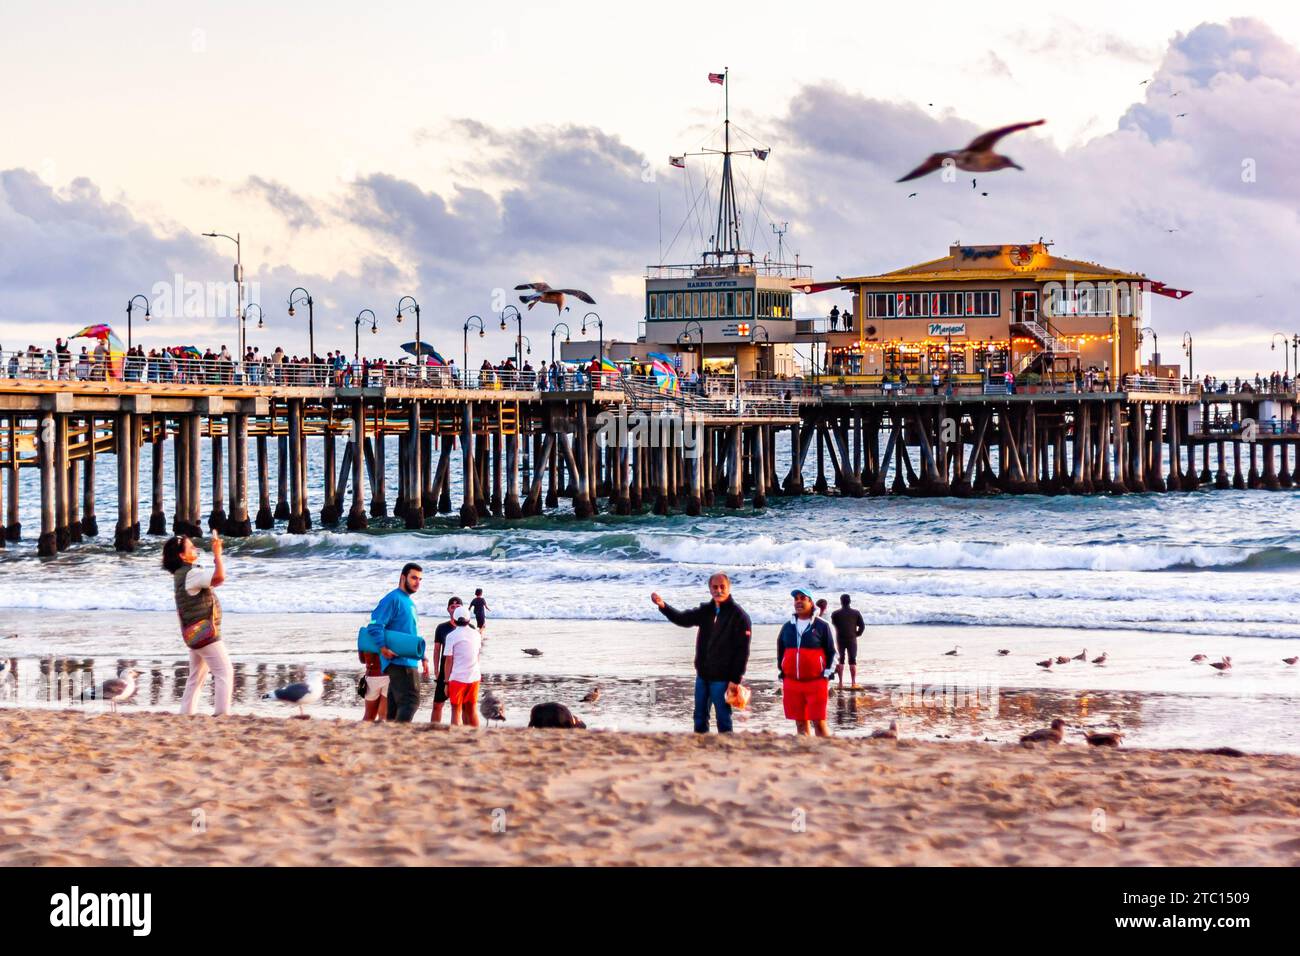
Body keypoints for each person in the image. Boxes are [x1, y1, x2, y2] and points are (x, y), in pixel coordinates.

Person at [650, 573, 751, 734]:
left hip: (723, 679)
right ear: (710, 589)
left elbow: (742, 652)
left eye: (722, 586)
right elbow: (683, 619)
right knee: (699, 717)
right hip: (702, 675)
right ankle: (700, 750)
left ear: (729, 587)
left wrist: (735, 679)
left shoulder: (739, 616)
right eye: (715, 587)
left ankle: (726, 751)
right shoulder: (706, 610)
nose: (718, 590)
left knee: (723, 718)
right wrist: (663, 606)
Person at [163, 531, 234, 716]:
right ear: (182, 555)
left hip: (193, 633)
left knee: (196, 677)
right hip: (205, 633)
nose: (195, 548)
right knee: (225, 672)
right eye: (190, 546)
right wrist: (217, 554)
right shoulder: (191, 573)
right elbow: (219, 578)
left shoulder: (180, 574)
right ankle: (222, 715)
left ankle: (186, 714)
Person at [365, 562, 424, 722]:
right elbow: (374, 625)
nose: (417, 582)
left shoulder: (409, 602)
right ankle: (400, 734)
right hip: (399, 660)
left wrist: (422, 656)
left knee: (394, 703)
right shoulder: (393, 599)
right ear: (403, 577)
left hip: (410, 658)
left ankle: (391, 734)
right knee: (411, 700)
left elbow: (409, 632)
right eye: (413, 578)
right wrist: (383, 648)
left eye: (420, 579)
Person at [776, 588, 837, 737]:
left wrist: (828, 672)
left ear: (810, 602)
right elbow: (781, 649)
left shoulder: (822, 625)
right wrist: (782, 669)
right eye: (796, 599)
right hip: (792, 682)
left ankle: (826, 751)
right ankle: (805, 752)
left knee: (818, 721)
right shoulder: (787, 626)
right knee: (800, 722)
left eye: (802, 598)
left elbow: (833, 651)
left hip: (816, 681)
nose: (798, 601)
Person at [442, 608, 483, 727]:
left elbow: (448, 660)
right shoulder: (476, 633)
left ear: (454, 620)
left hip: (458, 677)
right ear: (469, 619)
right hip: (474, 675)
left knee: (456, 709)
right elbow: (477, 655)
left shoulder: (451, 636)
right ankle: (477, 736)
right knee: (472, 708)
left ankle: (456, 736)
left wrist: (446, 682)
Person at [430, 596, 462, 724]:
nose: (454, 609)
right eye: (452, 607)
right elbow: (437, 650)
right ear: (448, 609)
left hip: (460, 671)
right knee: (437, 705)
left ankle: (456, 732)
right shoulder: (442, 627)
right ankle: (433, 730)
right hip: (444, 670)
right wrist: (436, 670)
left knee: (457, 706)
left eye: (458, 607)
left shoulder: (469, 627)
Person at [830, 594, 865, 691]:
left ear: (841, 601)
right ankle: (853, 683)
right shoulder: (856, 613)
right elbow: (862, 626)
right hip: (852, 639)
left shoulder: (835, 614)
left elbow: (833, 626)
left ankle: (840, 683)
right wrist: (857, 634)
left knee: (840, 660)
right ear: (850, 601)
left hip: (840, 639)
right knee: (852, 660)